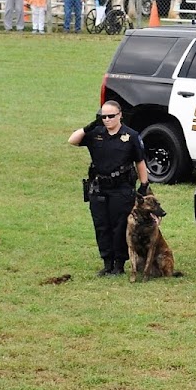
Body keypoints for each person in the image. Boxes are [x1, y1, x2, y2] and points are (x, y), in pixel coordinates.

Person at [68, 101, 149, 277]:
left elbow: (140, 162)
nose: (107, 119)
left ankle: (119, 264)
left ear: (120, 115)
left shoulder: (130, 136)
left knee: (119, 226)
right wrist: (90, 126)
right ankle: (107, 263)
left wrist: (144, 186)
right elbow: (72, 140)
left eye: (111, 116)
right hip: (99, 188)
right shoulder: (95, 133)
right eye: (103, 116)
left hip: (121, 189)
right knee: (101, 225)